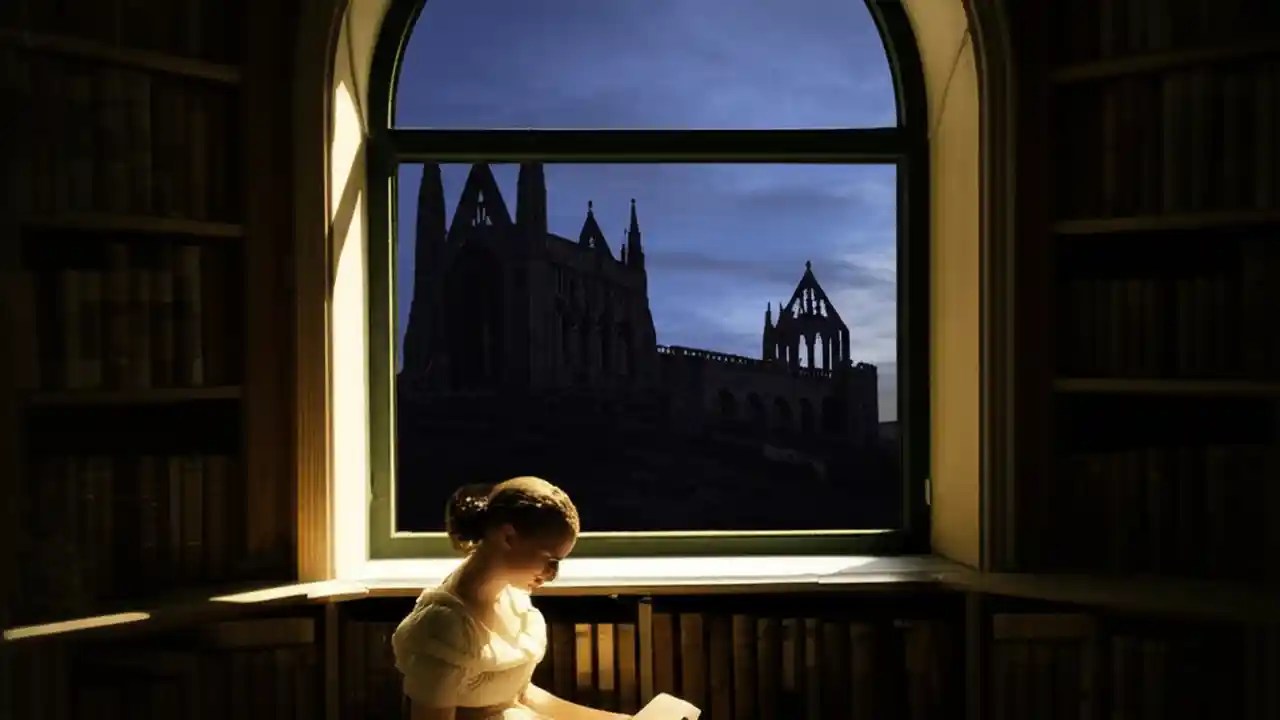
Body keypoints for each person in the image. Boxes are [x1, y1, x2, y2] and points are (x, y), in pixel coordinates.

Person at [392, 476, 631, 720]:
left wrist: (615, 719)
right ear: (508, 537)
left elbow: (519, 695)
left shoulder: (515, 604)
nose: (552, 575)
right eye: (550, 560)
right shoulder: (445, 627)